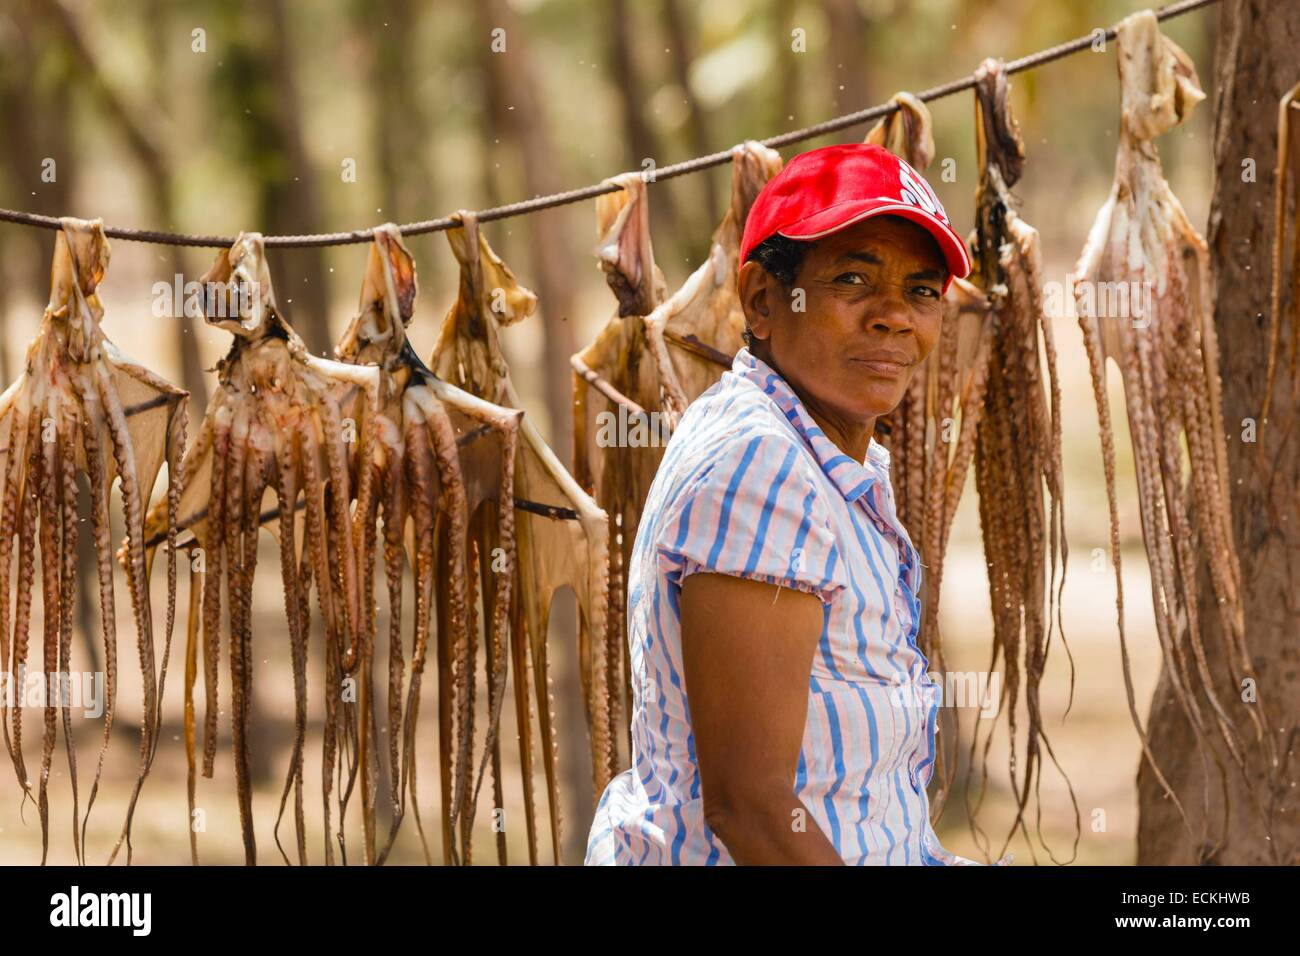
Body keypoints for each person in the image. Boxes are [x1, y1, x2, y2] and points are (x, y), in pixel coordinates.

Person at [585, 142, 1007, 865]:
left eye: (922, 290)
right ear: (760, 299)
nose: (895, 317)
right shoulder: (762, 466)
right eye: (853, 278)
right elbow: (752, 807)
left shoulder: (828, 457)